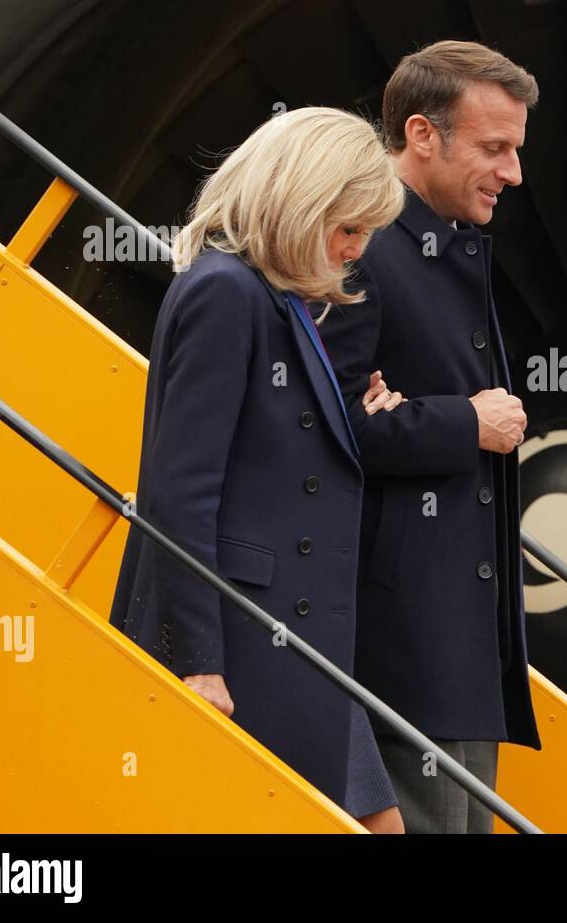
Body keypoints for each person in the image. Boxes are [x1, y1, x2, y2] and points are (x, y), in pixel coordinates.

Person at [109, 106, 408, 833]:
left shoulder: (273, 296)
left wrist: (353, 422)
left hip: (292, 635)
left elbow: (277, 446)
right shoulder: (226, 292)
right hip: (243, 641)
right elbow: (180, 493)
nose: (354, 251)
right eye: (348, 228)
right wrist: (199, 662)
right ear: (297, 203)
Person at [316, 40, 541, 833]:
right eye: (494, 148)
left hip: (461, 642)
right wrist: (464, 422)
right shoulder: (365, 245)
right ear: (421, 135)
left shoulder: (443, 239)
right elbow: (323, 423)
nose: (511, 172)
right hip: (405, 644)